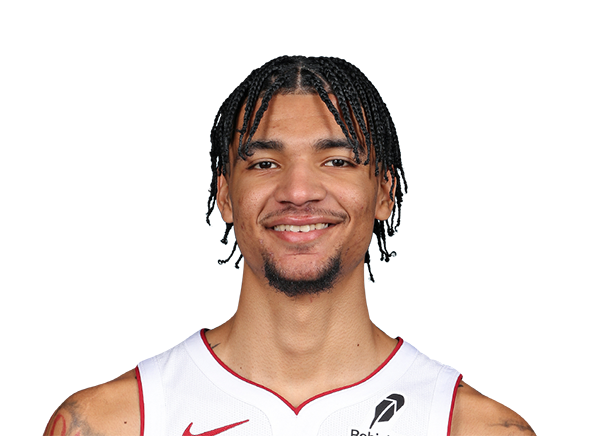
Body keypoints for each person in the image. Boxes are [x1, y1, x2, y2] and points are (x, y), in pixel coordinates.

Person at [44, 55, 535, 436]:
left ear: (385, 192)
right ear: (225, 197)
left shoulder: (475, 428)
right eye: (264, 164)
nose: (298, 191)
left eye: (337, 161)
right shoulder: (110, 423)